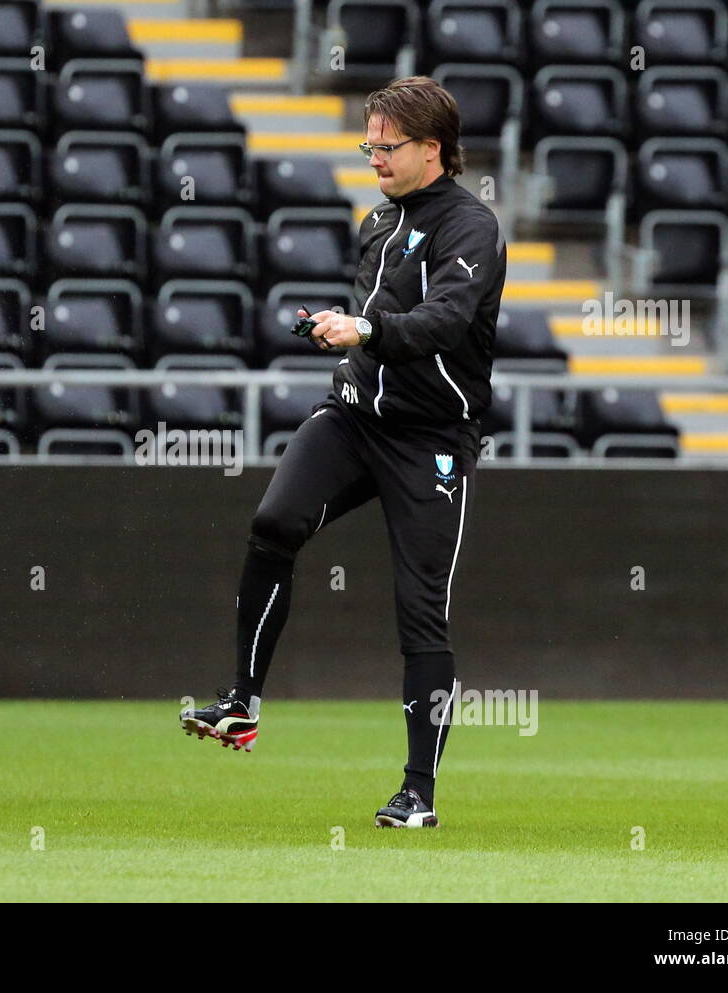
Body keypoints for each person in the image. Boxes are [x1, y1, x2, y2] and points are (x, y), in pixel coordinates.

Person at [180, 76, 507, 829]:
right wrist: (343, 327)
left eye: (386, 146)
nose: (374, 157)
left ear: (432, 149)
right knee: (273, 522)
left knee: (421, 613)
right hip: (356, 417)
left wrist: (366, 331)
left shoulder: (472, 228)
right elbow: (377, 322)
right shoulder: (378, 221)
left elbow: (446, 322)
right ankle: (242, 704)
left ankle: (417, 793)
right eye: (369, 143)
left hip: (432, 441)